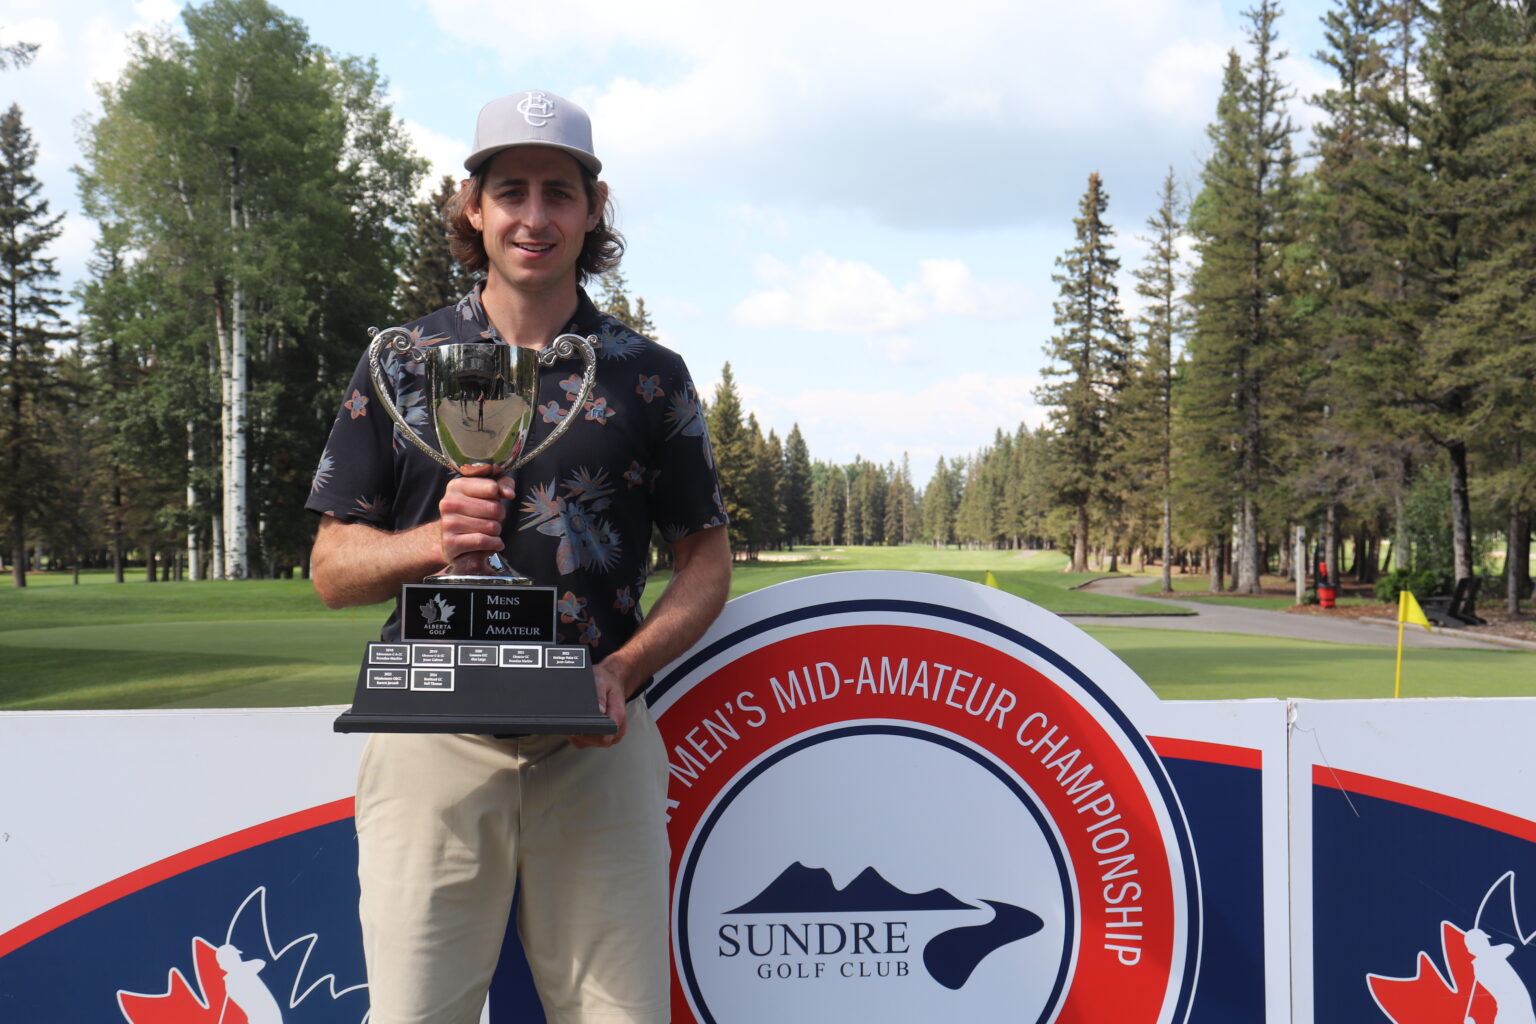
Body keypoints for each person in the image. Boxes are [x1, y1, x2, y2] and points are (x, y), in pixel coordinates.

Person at [306, 88, 731, 1024]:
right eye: (510, 191)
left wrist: (625, 668)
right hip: (433, 741)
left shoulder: (648, 374)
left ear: (593, 207)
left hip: (597, 739)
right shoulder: (400, 359)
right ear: (474, 207)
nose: (534, 216)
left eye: (558, 191)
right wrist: (434, 540)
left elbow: (706, 557)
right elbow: (332, 568)